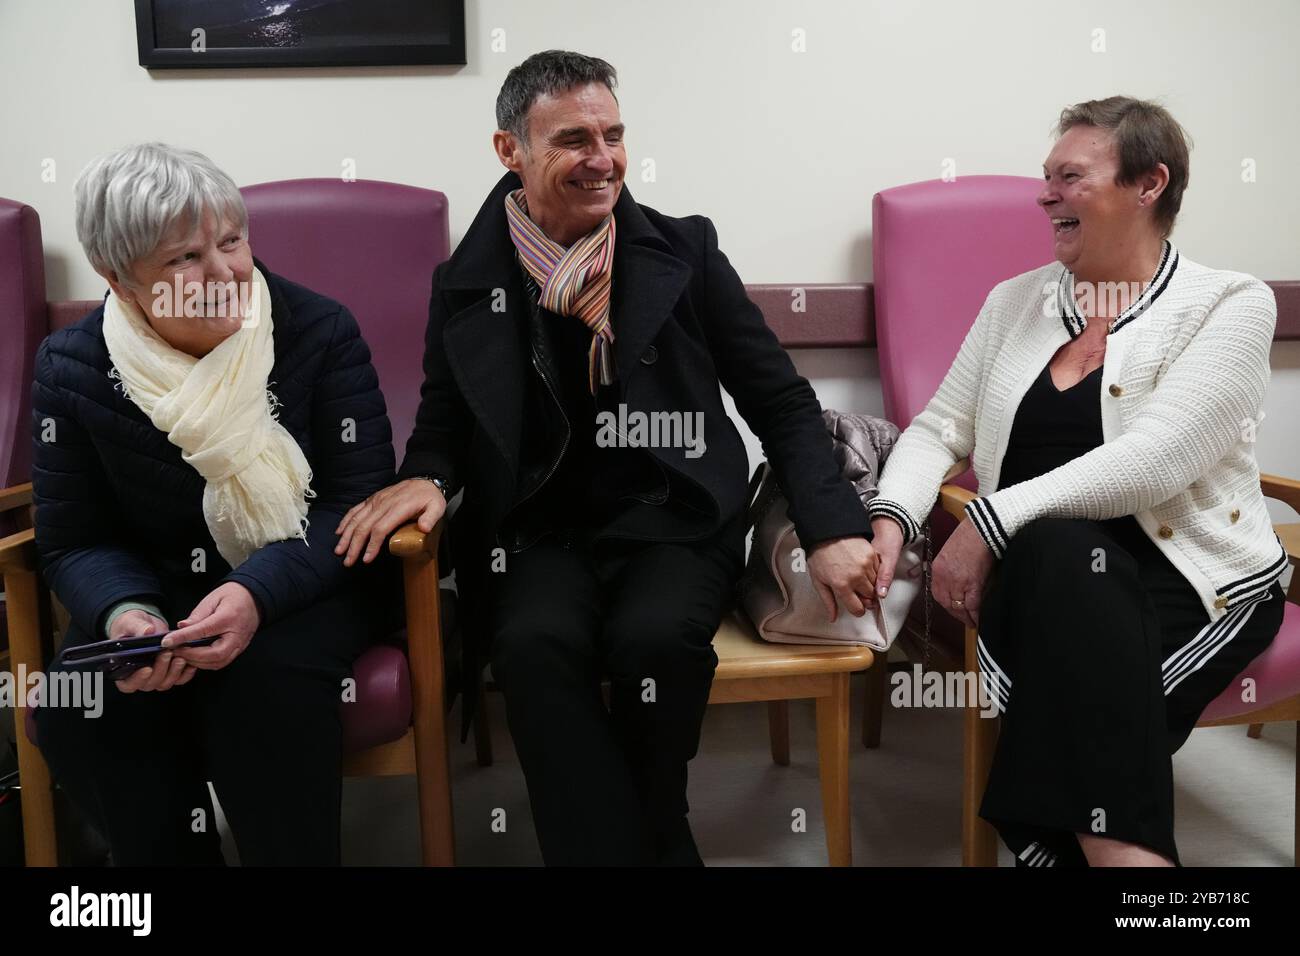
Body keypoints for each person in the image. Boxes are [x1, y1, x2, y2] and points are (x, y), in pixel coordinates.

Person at [334, 50, 879, 865]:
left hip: (672, 516)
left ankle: (634, 834)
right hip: (535, 530)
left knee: (655, 641)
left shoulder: (684, 251)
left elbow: (779, 402)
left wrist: (832, 524)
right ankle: (656, 842)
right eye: (574, 139)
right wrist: (427, 475)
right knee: (531, 647)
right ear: (509, 150)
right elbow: (447, 420)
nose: (604, 159)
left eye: (614, 135)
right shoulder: (466, 279)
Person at [868, 97, 1286, 866]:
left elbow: (1155, 458)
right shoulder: (1013, 302)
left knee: (1073, 690)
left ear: (1148, 185)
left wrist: (988, 524)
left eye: (1071, 176)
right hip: (1043, 574)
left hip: (1191, 577)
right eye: (1045, 177)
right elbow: (937, 429)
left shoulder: (1229, 304)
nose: (1045, 194)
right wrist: (891, 521)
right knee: (1062, 554)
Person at [32, 142, 398, 865]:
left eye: (231, 240)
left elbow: (354, 505)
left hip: (306, 585)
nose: (225, 272)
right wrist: (125, 615)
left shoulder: (318, 330)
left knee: (264, 688)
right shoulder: (71, 366)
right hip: (157, 593)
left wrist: (253, 593)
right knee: (83, 704)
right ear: (117, 278)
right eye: (182, 260)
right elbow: (73, 539)